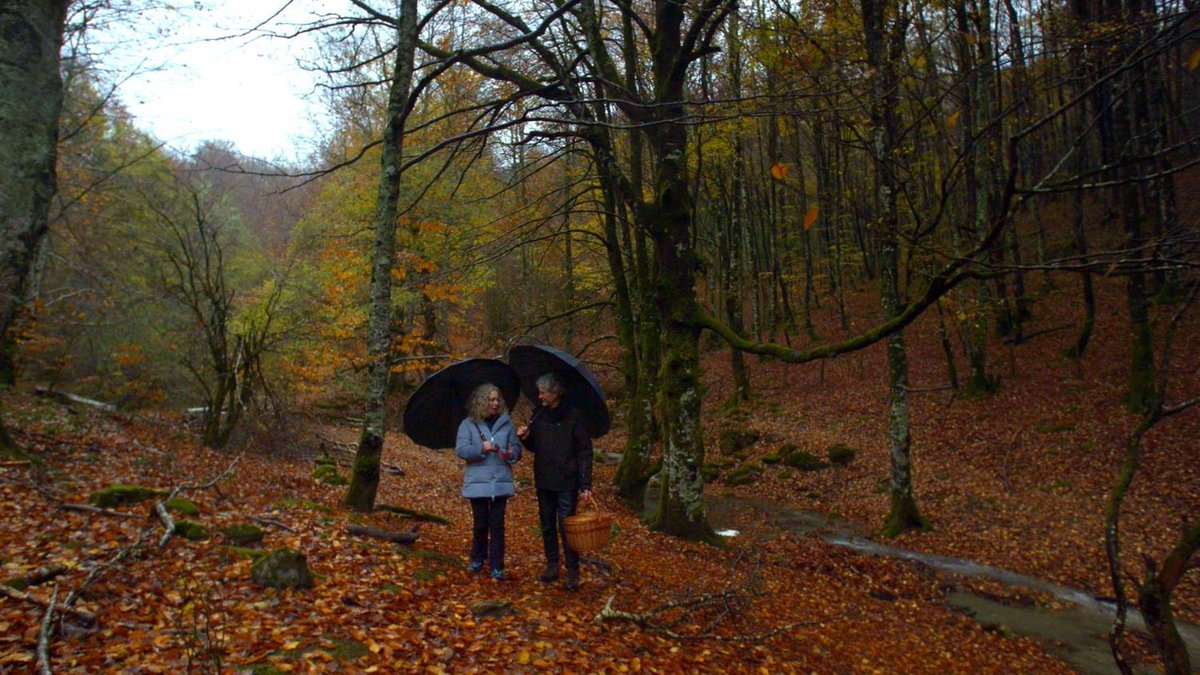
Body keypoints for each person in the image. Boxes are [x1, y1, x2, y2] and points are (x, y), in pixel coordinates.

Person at [516, 372, 593, 592]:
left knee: (566, 527)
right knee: (547, 525)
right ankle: (552, 566)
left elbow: (584, 451)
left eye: (543, 392)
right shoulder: (538, 415)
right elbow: (536, 446)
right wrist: (526, 438)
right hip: (544, 478)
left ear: (556, 392)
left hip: (567, 480)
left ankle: (572, 571)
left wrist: (585, 484)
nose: (539, 397)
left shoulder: (574, 416)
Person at [456, 383, 521, 581]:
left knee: (498, 525)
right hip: (478, 482)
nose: (495, 403)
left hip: (500, 481)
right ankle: (477, 558)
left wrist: (511, 454)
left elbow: (517, 451)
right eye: (491, 400)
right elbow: (461, 450)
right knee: (481, 523)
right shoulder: (468, 424)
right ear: (481, 401)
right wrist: (480, 448)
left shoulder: (507, 423)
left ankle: (497, 566)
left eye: (497, 399)